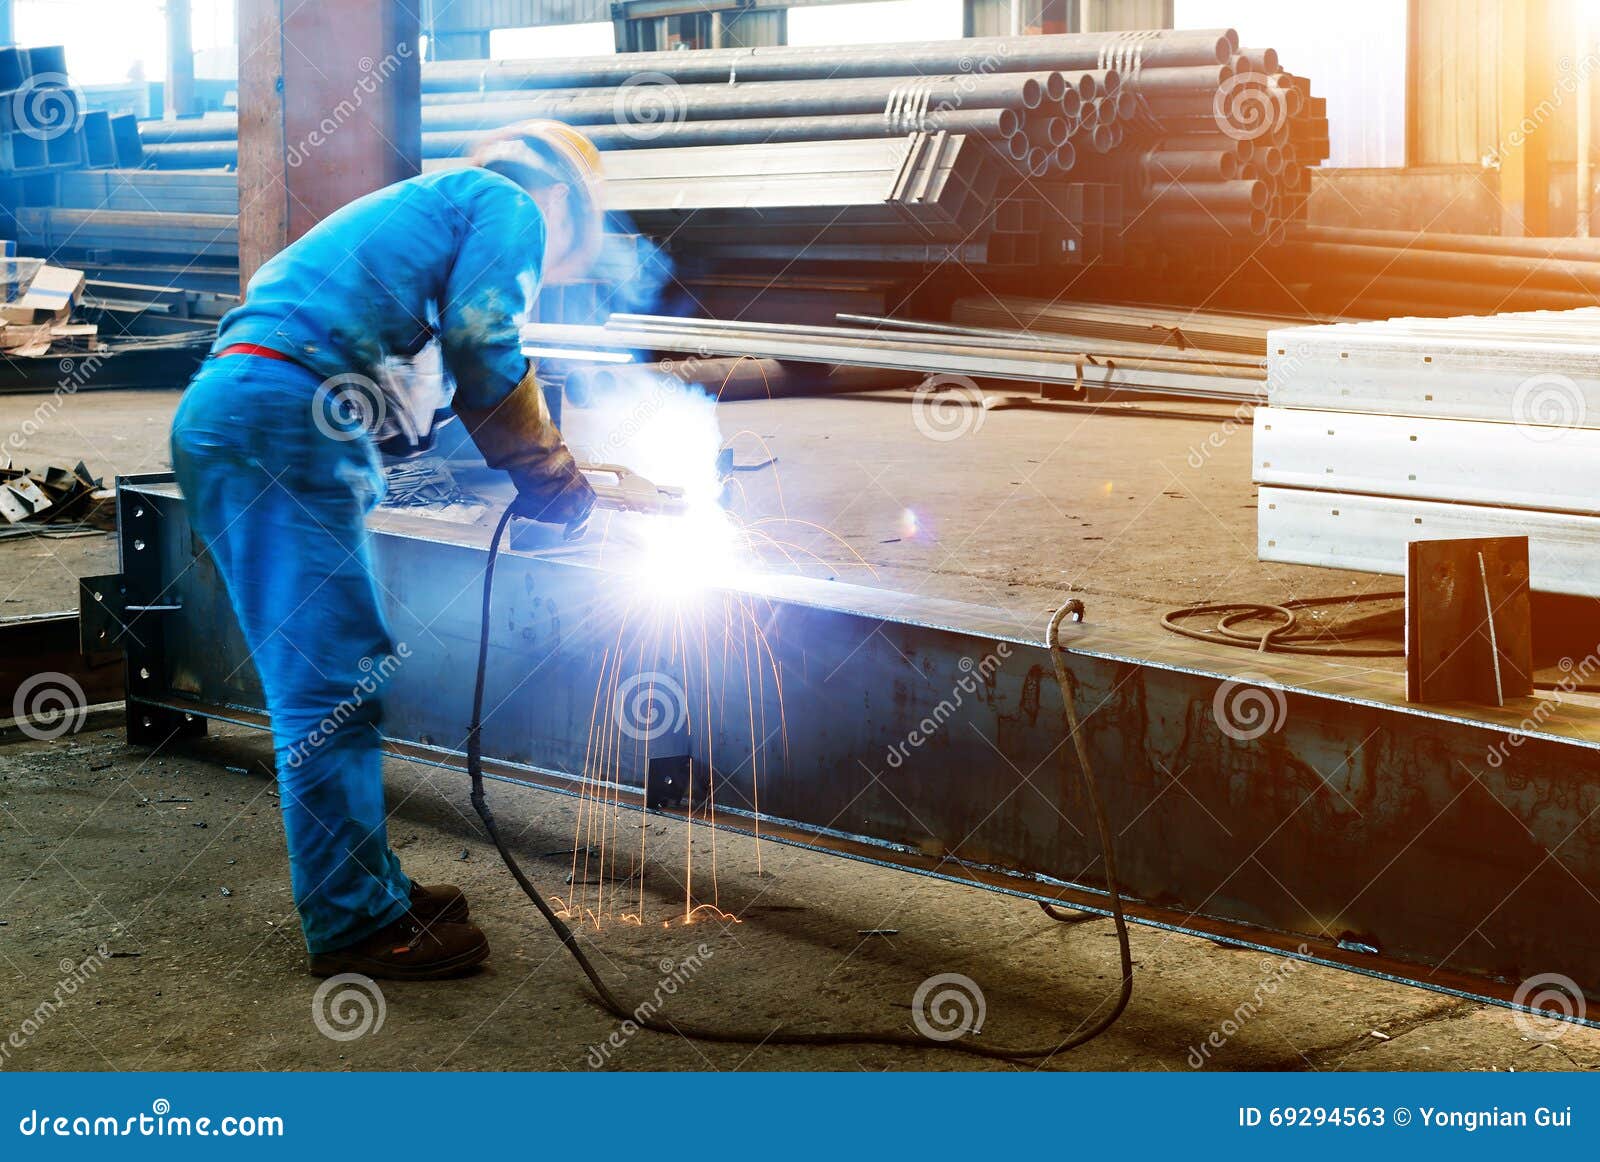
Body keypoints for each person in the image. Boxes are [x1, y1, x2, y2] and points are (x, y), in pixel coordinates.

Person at [169, 122, 603, 980]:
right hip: (282, 423)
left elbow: (415, 381)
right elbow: (485, 338)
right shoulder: (509, 203)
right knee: (329, 688)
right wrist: (545, 467)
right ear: (560, 198)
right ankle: (359, 926)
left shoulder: (416, 213)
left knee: (336, 674)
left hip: (239, 415)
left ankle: (372, 886)